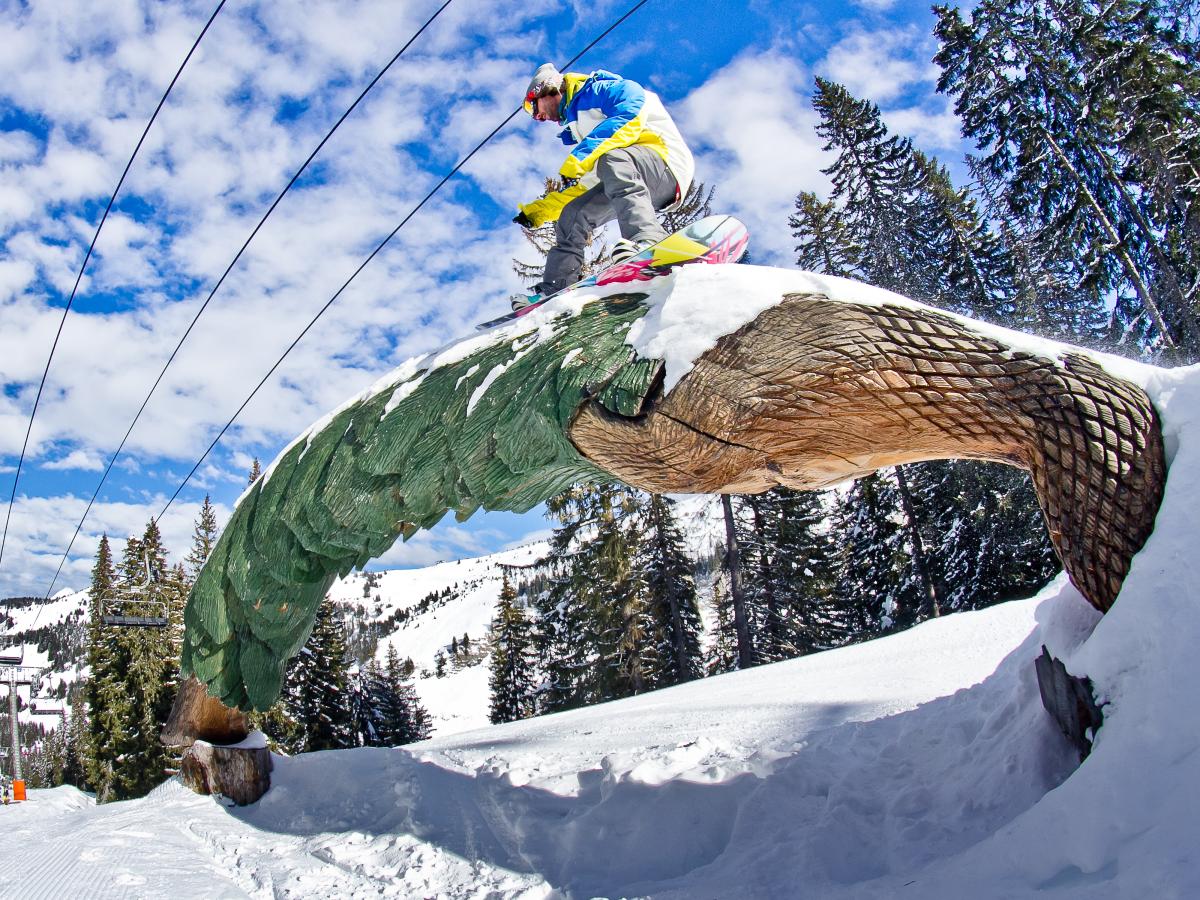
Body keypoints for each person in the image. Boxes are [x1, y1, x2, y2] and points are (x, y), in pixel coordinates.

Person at [510, 63, 695, 310]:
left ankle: (648, 240)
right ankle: (556, 287)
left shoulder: (605, 90)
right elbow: (585, 185)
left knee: (612, 158)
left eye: (533, 108)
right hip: (624, 174)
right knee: (573, 214)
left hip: (664, 165)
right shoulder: (582, 129)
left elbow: (630, 115)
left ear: (547, 90)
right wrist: (539, 211)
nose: (538, 117)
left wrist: (579, 158)